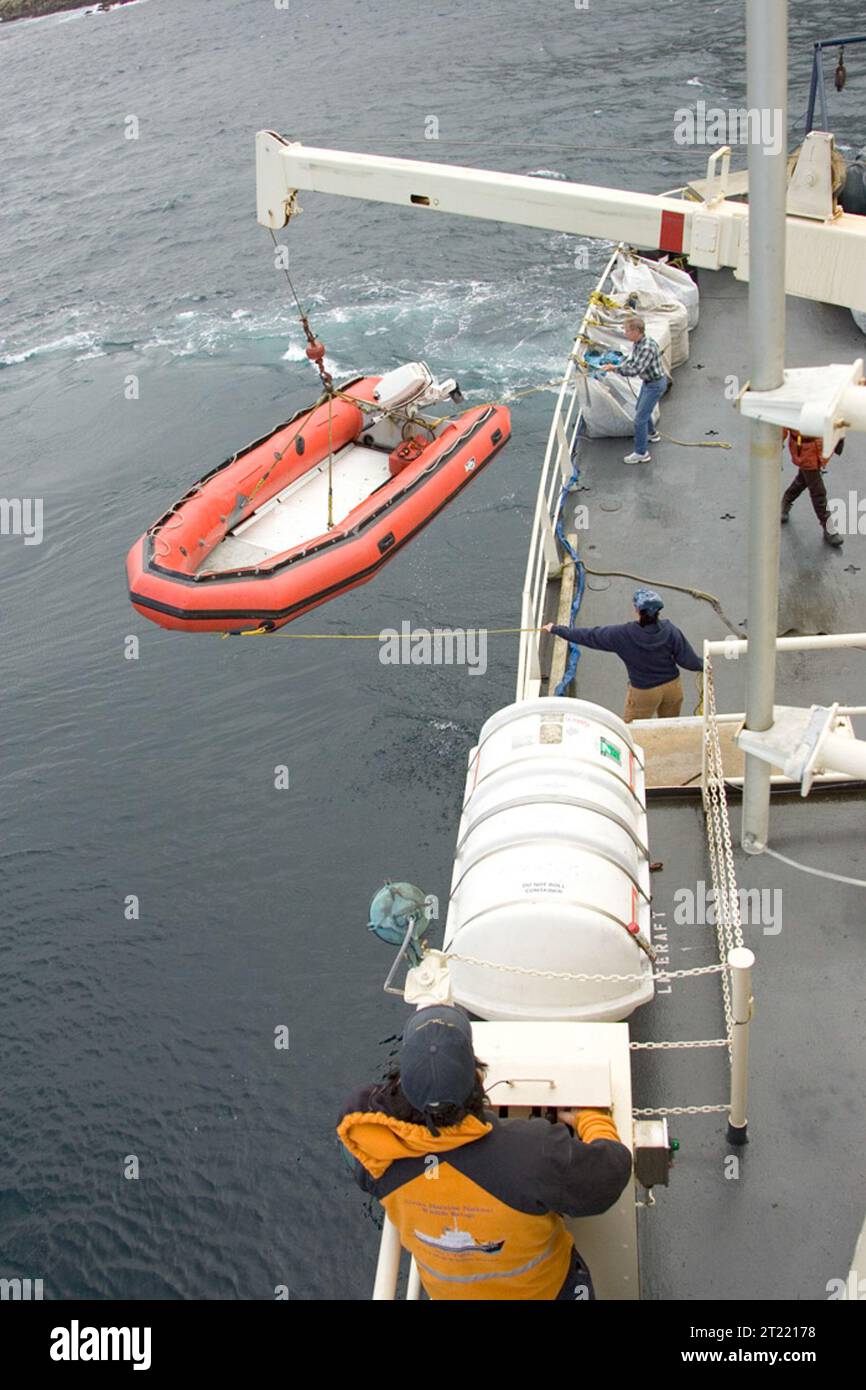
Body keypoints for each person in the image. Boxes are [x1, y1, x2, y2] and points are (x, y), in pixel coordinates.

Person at [336, 1004, 632, 1301]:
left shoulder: (377, 1159)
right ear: (477, 1077)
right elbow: (610, 1173)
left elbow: (356, 1114)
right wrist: (593, 1118)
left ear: (399, 1084)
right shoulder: (535, 1153)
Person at [544, 587, 703, 723]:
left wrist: (557, 629)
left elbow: (589, 636)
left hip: (644, 692)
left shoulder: (622, 634)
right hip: (672, 688)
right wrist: (703, 665)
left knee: (631, 730)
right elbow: (687, 660)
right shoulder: (670, 630)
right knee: (671, 725)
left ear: (637, 610)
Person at [599, 314, 668, 464]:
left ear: (637, 331)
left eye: (627, 331)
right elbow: (632, 361)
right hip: (649, 383)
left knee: (639, 420)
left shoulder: (646, 348)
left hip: (654, 385)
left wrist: (614, 369)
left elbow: (635, 369)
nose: (625, 333)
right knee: (641, 409)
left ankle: (641, 453)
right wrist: (617, 366)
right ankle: (652, 434)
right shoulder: (639, 343)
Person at [780, 429, 844, 547]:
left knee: (803, 480)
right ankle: (828, 527)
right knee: (818, 491)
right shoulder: (796, 409)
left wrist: (839, 435)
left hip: (819, 447)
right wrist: (776, 447)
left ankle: (786, 501)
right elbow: (783, 424)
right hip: (805, 450)